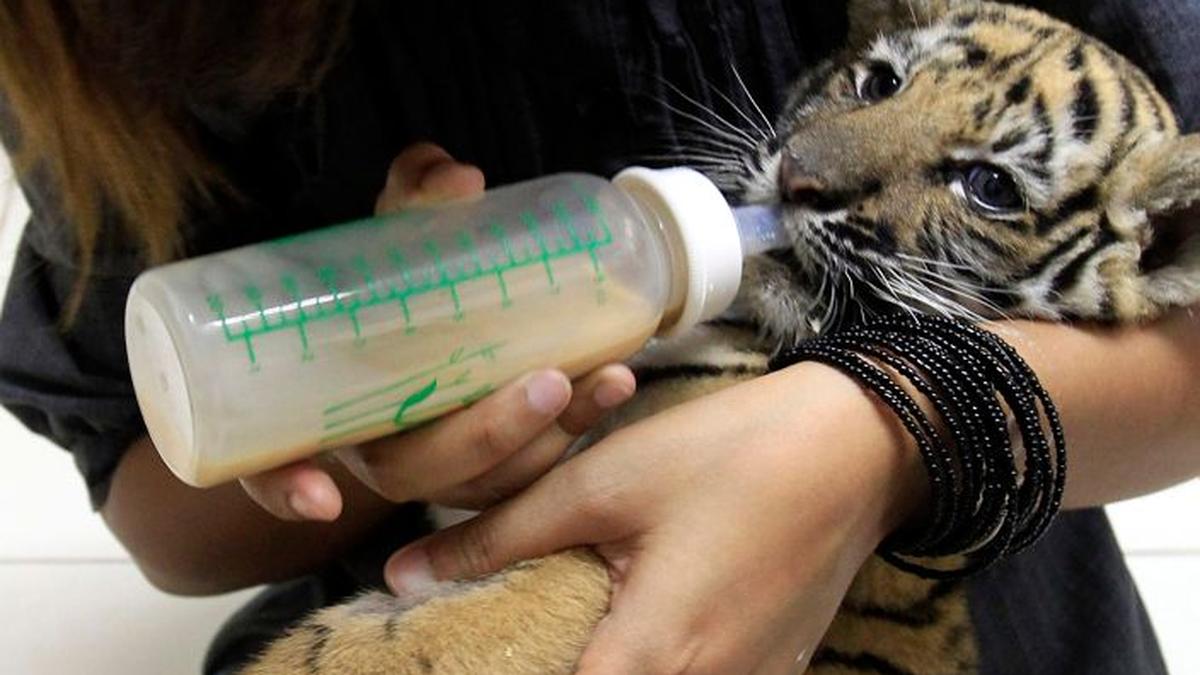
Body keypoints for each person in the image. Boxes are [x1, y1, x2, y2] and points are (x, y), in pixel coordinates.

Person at [0, 1, 1196, 673]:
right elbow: (159, 507)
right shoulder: (114, 38)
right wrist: (372, 406)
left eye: (986, 186)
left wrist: (882, 434)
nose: (818, 169)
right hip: (406, 591)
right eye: (870, 83)